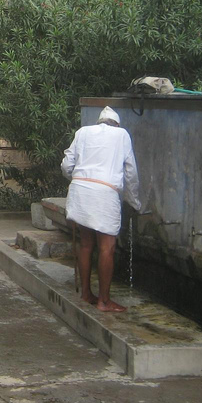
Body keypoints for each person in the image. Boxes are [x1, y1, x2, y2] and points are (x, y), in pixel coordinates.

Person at [61, 106, 142, 313]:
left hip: (80, 190)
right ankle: (104, 301)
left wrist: (79, 179)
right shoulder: (122, 135)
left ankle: (87, 293)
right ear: (116, 124)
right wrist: (134, 202)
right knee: (107, 248)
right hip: (105, 194)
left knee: (86, 244)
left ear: (100, 122)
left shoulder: (82, 132)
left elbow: (66, 165)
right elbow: (130, 172)